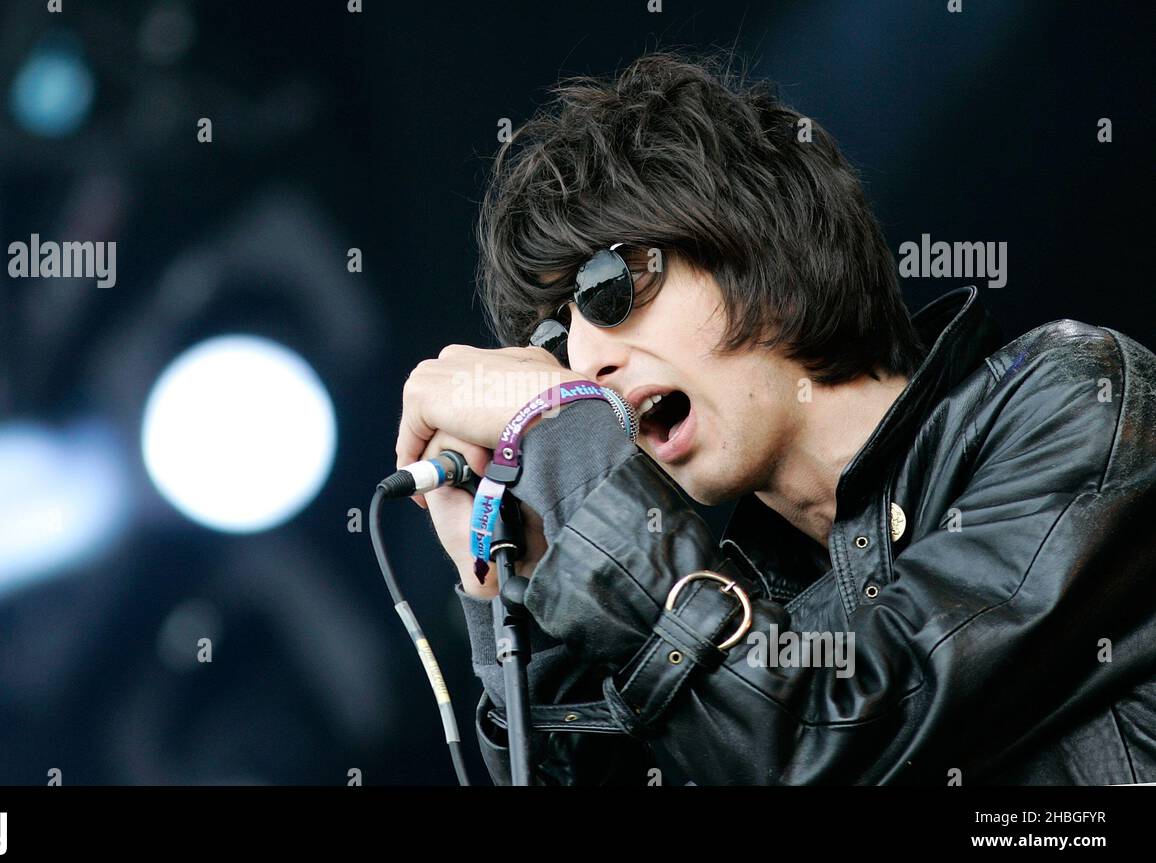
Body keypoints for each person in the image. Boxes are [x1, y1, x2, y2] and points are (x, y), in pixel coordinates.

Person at [393, 52, 1156, 785]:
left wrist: (571, 451)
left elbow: (840, 739)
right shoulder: (745, 603)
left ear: (767, 257)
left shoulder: (1074, 402)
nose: (584, 361)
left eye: (607, 285)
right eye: (558, 335)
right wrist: (512, 586)